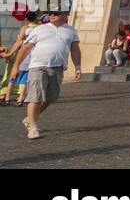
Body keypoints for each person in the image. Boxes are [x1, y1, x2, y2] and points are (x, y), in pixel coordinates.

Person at [12, 9, 80, 140]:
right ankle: (32, 127)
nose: (53, 15)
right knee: (35, 96)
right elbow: (25, 48)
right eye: (51, 13)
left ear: (66, 15)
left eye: (57, 13)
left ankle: (29, 118)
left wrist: (77, 67)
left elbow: (75, 49)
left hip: (58, 67)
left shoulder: (71, 31)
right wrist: (16, 66)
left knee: (50, 97)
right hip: (37, 66)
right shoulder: (39, 29)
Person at [0, 11, 39, 106]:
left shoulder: (25, 28)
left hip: (23, 55)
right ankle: (20, 99)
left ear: (26, 19)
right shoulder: (40, 29)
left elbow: (18, 42)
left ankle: (7, 98)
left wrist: (10, 53)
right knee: (26, 78)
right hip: (35, 55)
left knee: (13, 76)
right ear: (36, 18)